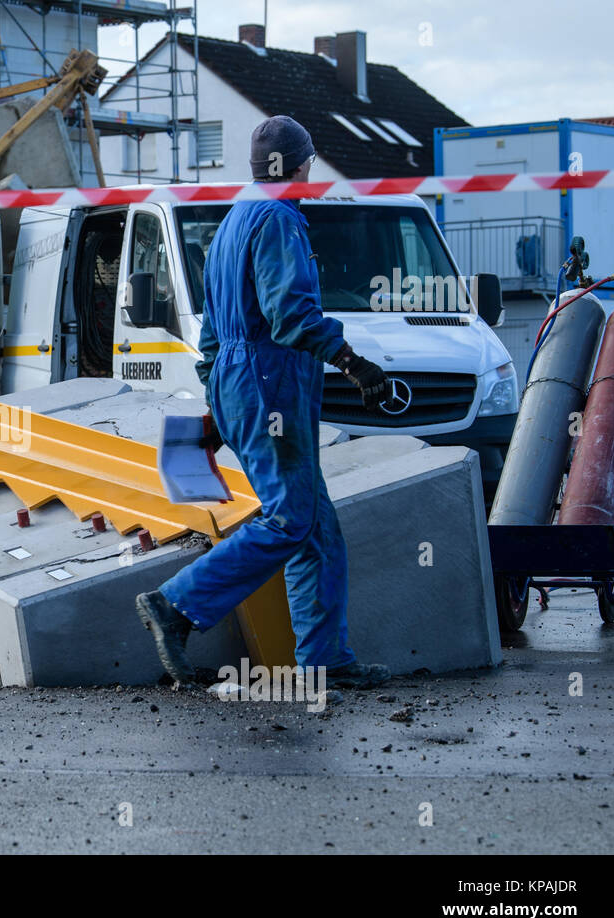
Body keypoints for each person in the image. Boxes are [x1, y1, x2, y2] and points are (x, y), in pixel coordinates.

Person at [135, 115, 392, 690]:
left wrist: (221, 395)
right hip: (271, 380)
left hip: (241, 380)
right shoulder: (278, 218)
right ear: (303, 165)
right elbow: (291, 315)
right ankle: (176, 604)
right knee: (289, 519)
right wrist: (351, 361)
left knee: (316, 529)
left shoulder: (231, 223)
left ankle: (327, 662)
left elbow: (210, 337)